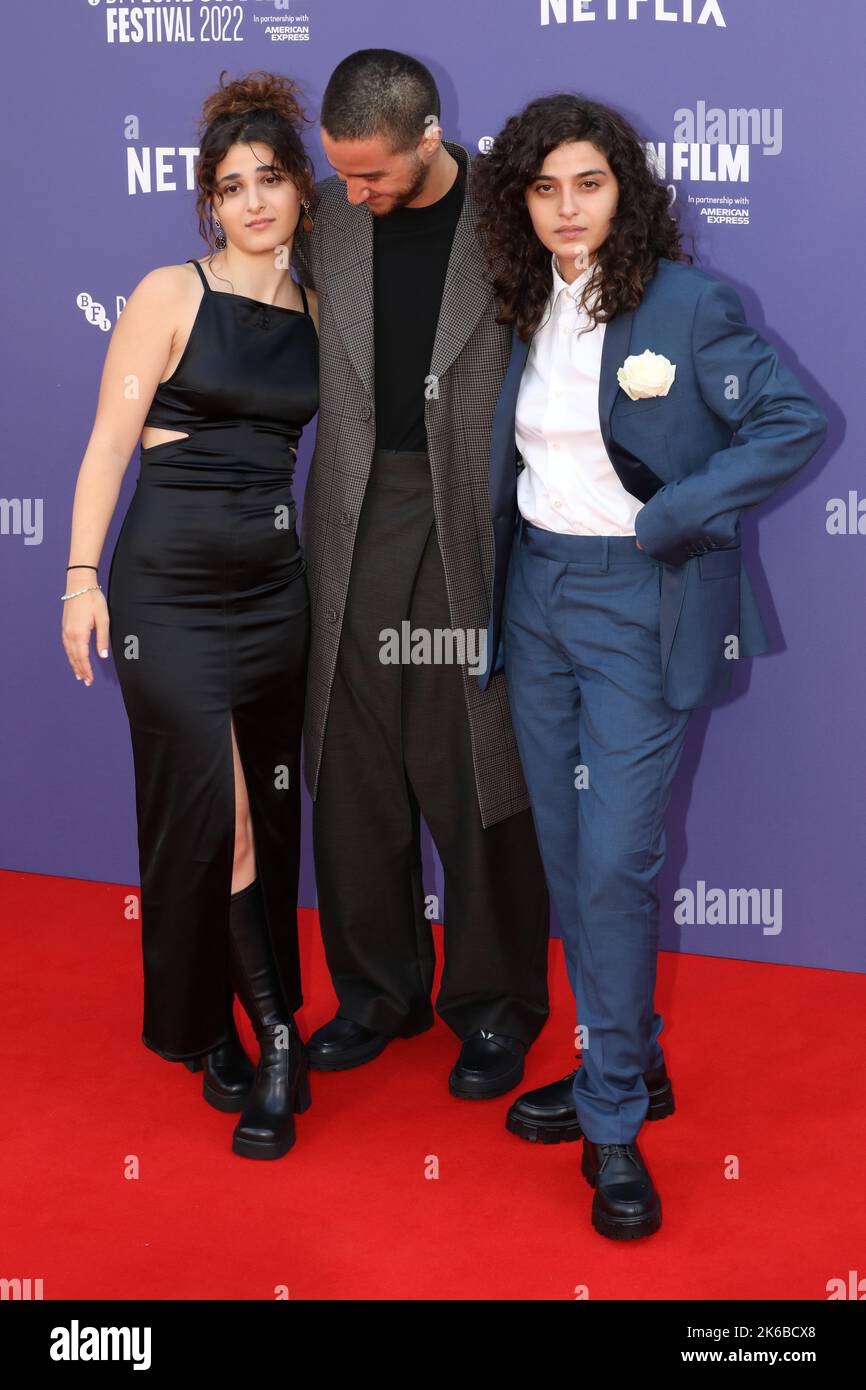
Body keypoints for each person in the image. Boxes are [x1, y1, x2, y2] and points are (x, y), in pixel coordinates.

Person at [472, 92, 827, 1237]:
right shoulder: (520, 300)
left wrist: (675, 511)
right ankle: (625, 1060)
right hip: (534, 598)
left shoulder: (685, 304)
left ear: (623, 188)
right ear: (518, 203)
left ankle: (612, 1119)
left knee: (617, 858)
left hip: (638, 601)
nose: (565, 209)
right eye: (542, 188)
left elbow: (790, 422)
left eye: (586, 182)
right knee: (572, 855)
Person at [61, 71, 320, 1160]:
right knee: (222, 813)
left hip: (275, 594)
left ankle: (214, 1019)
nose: (252, 200)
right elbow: (110, 443)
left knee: (263, 803)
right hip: (165, 590)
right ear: (206, 202)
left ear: (302, 190)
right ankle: (272, 1038)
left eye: (269, 179)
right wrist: (81, 575)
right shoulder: (169, 292)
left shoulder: (315, 313)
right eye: (230, 185)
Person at [291, 49, 551, 1098]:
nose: (351, 196)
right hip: (351, 516)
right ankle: (374, 994)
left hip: (462, 521)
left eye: (372, 176)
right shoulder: (329, 213)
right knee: (349, 762)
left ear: (428, 137)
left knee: (469, 762)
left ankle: (493, 1007)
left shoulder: (510, 213)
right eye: (341, 175)